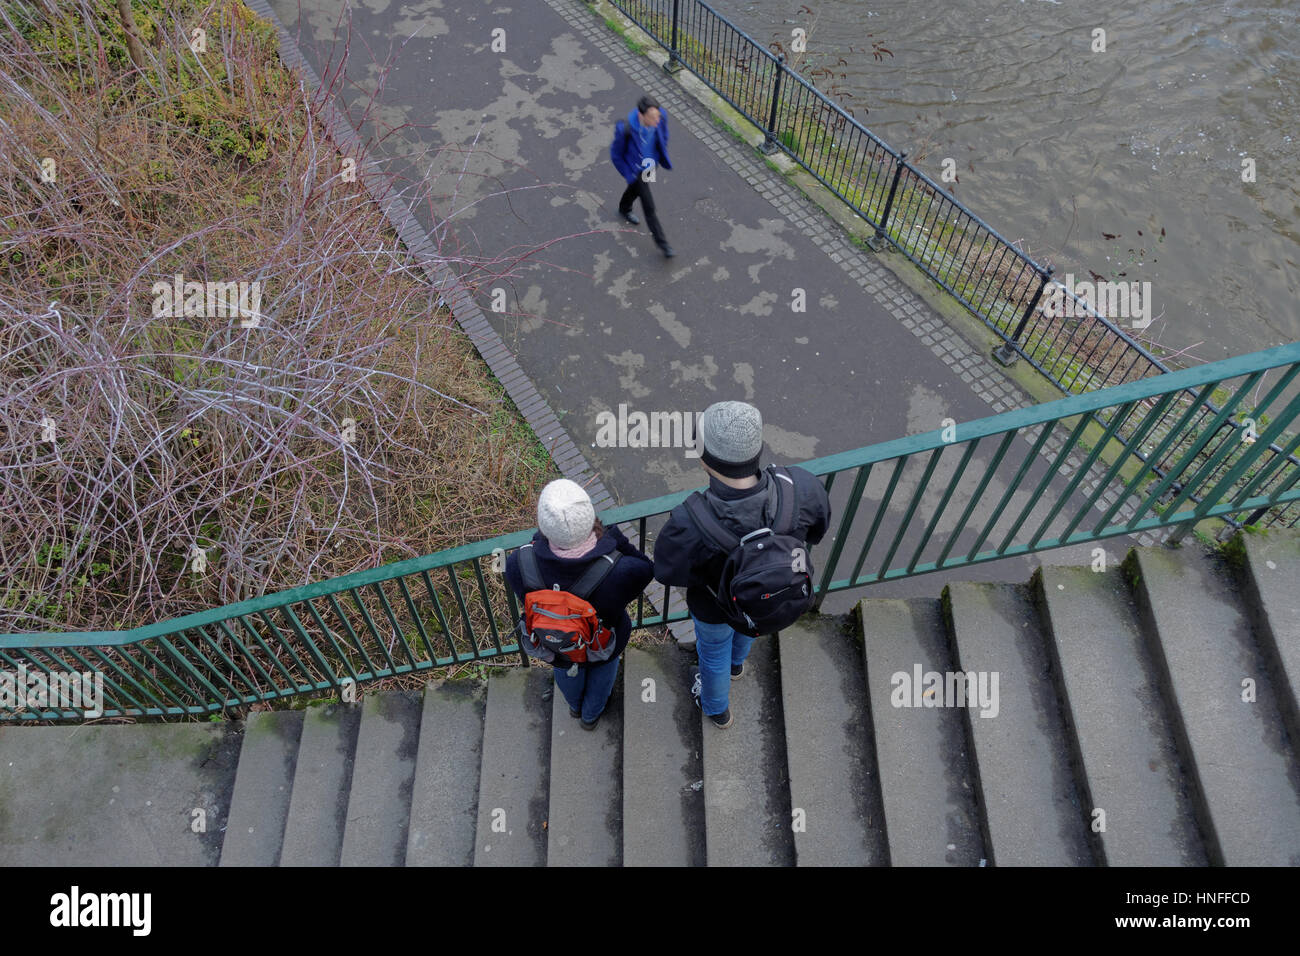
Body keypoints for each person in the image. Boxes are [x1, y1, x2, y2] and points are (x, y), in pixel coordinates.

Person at [652, 402, 831, 729]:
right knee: (751, 621)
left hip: (714, 608)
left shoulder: (689, 522)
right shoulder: (801, 488)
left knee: (712, 655)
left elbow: (666, 570)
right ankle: (738, 665)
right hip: (768, 600)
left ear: (703, 459)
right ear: (757, 449)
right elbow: (817, 531)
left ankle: (716, 708)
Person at [505, 479, 653, 729]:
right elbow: (647, 568)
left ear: (543, 525)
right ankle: (590, 717)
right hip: (603, 644)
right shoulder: (623, 571)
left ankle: (574, 707)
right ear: (590, 517)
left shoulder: (518, 562)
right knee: (603, 675)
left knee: (566, 671)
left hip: (557, 644)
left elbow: (528, 599)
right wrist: (615, 538)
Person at [611, 95, 675, 258]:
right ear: (641, 116)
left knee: (635, 189)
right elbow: (616, 156)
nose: (657, 120)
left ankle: (624, 208)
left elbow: (663, 134)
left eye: (658, 116)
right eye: (652, 117)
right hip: (636, 169)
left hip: (651, 164)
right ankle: (663, 244)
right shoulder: (625, 129)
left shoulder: (661, 117)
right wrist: (629, 174)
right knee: (649, 207)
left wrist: (661, 152)